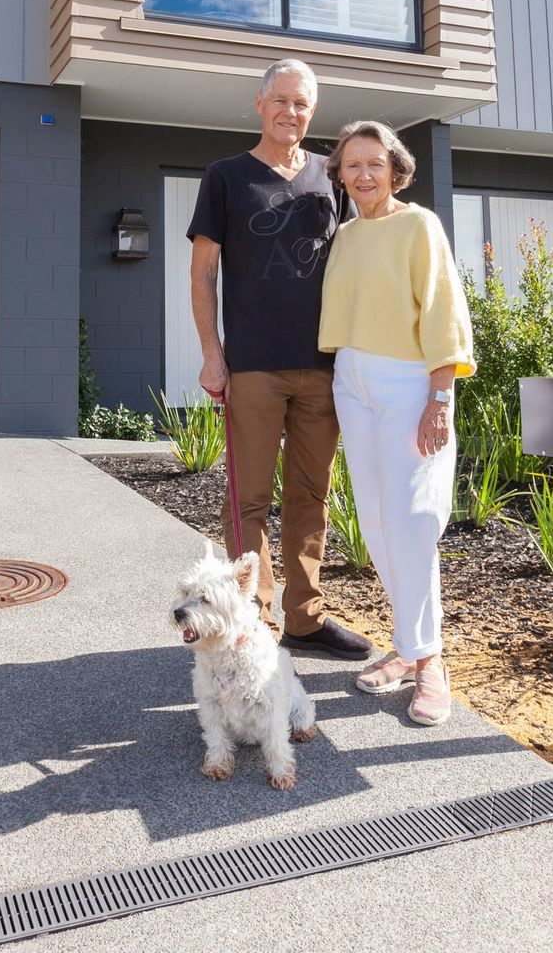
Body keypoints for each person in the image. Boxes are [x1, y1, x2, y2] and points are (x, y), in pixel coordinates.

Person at [188, 59, 369, 660]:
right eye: (282, 101)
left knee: (310, 495)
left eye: (304, 105)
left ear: (312, 112)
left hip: (323, 366)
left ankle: (306, 620)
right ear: (260, 103)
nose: (292, 113)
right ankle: (253, 623)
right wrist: (213, 357)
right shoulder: (226, 177)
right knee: (247, 500)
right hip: (254, 367)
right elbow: (203, 274)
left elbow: (358, 261)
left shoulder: (332, 177)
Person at [318, 119, 475, 727]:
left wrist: (440, 397)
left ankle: (429, 661)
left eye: (374, 164)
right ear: (340, 174)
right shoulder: (347, 235)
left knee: (412, 519)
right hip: (352, 380)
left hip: (412, 380)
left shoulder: (419, 225)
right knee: (378, 522)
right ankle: (409, 648)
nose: (362, 174)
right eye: (351, 165)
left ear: (395, 170)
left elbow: (443, 308)